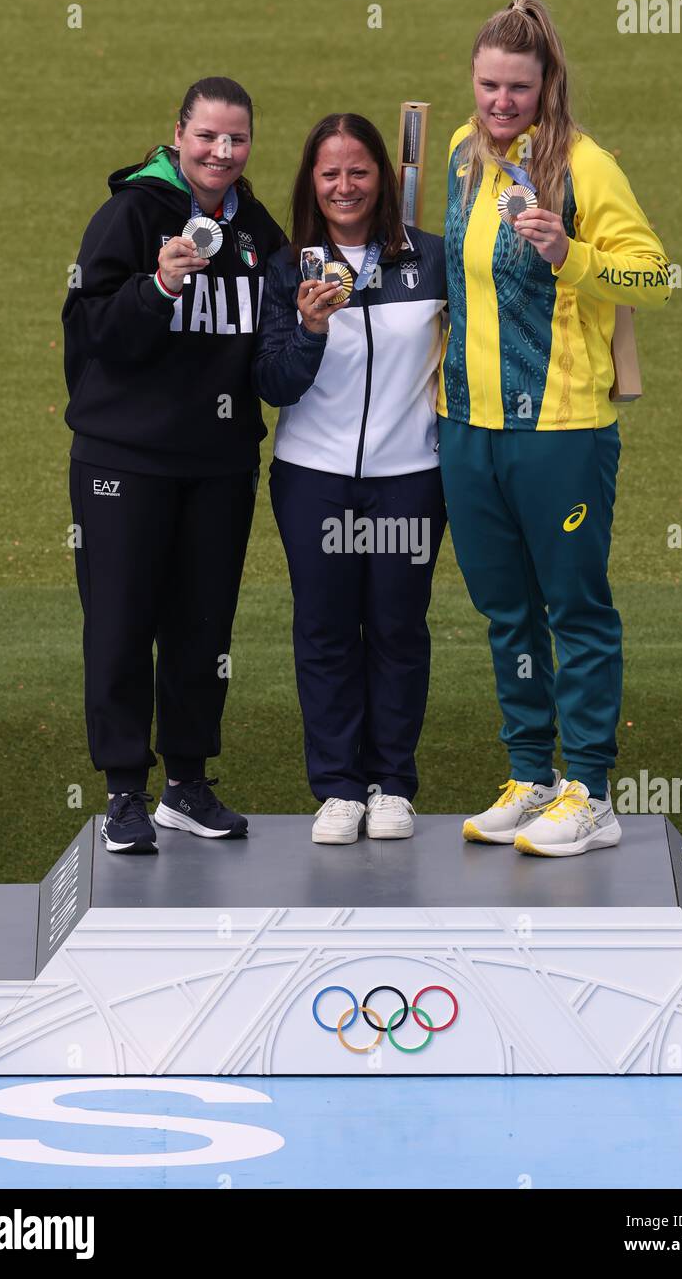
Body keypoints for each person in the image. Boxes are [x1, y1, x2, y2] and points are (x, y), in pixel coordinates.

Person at [440, 0, 671, 857]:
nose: (501, 103)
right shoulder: (462, 152)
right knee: (506, 612)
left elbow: (654, 276)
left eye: (518, 88)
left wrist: (568, 254)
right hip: (466, 424)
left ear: (547, 85)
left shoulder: (584, 165)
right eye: (489, 85)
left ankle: (594, 794)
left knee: (575, 610)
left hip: (562, 428)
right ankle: (533, 774)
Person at [62, 76, 286, 854]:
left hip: (219, 465)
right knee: (121, 625)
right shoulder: (130, 214)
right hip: (123, 461)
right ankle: (125, 791)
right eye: (208, 136)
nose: (222, 151)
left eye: (236, 138)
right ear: (178, 135)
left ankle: (187, 785)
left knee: (203, 629)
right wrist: (156, 286)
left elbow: (275, 341)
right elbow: (93, 333)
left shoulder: (254, 229)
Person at [254, 114, 447, 845]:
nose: (345, 186)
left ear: (384, 178)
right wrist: (308, 331)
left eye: (359, 171)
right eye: (330, 173)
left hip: (409, 480)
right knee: (327, 629)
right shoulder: (288, 270)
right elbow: (272, 383)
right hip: (315, 480)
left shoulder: (430, 260)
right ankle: (338, 787)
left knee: (397, 628)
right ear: (311, 181)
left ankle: (391, 784)